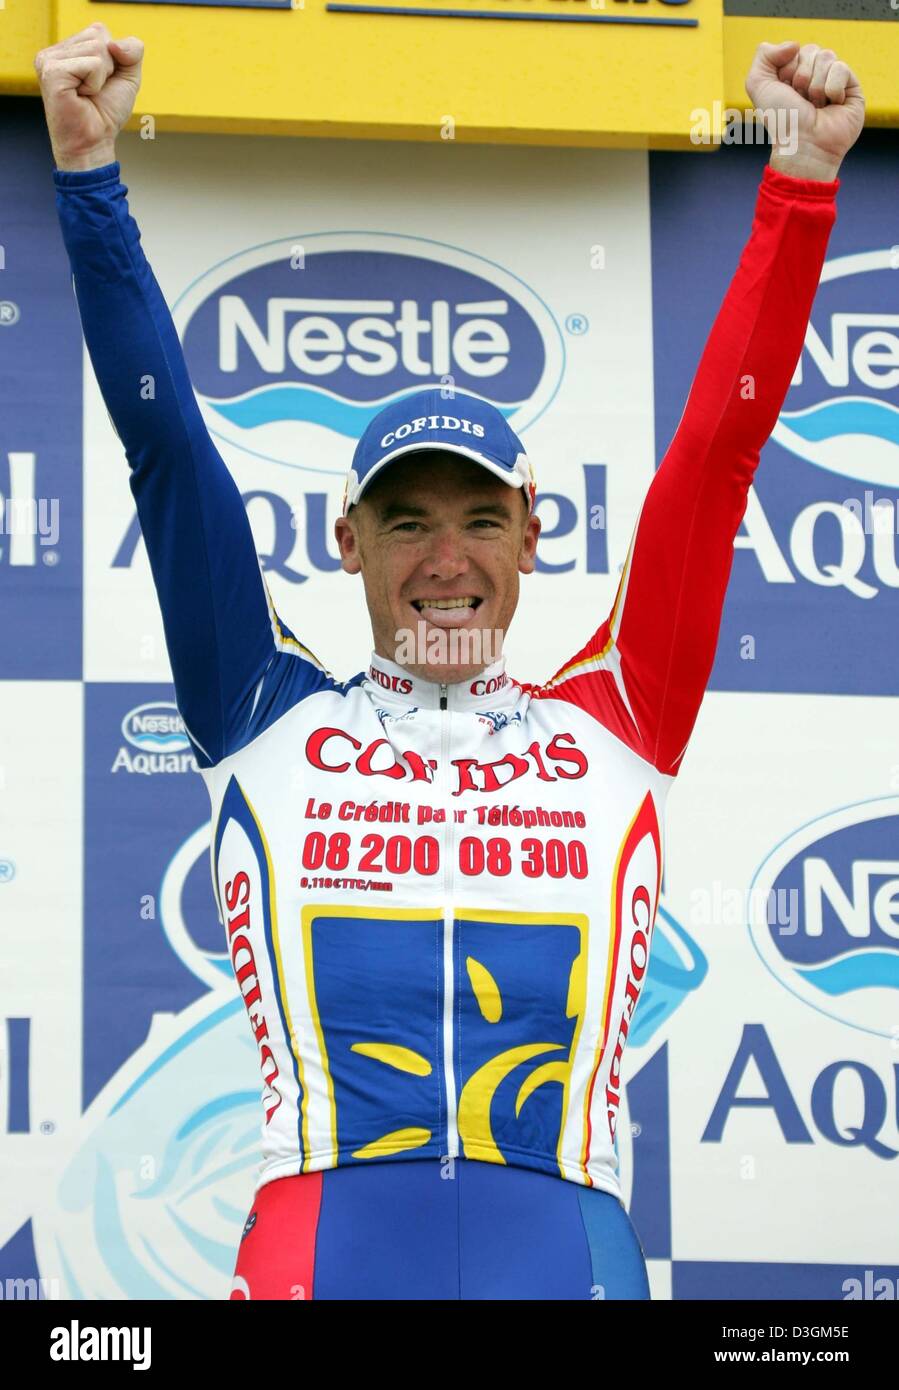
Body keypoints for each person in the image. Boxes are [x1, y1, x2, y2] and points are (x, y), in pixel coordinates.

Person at [36, 24, 864, 1300]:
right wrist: (91, 181)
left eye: (479, 519)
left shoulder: (616, 713)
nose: (444, 558)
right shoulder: (260, 710)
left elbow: (717, 455)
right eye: (407, 521)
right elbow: (169, 460)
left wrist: (800, 185)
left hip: (563, 1255)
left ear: (531, 537)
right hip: (322, 1251)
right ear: (346, 539)